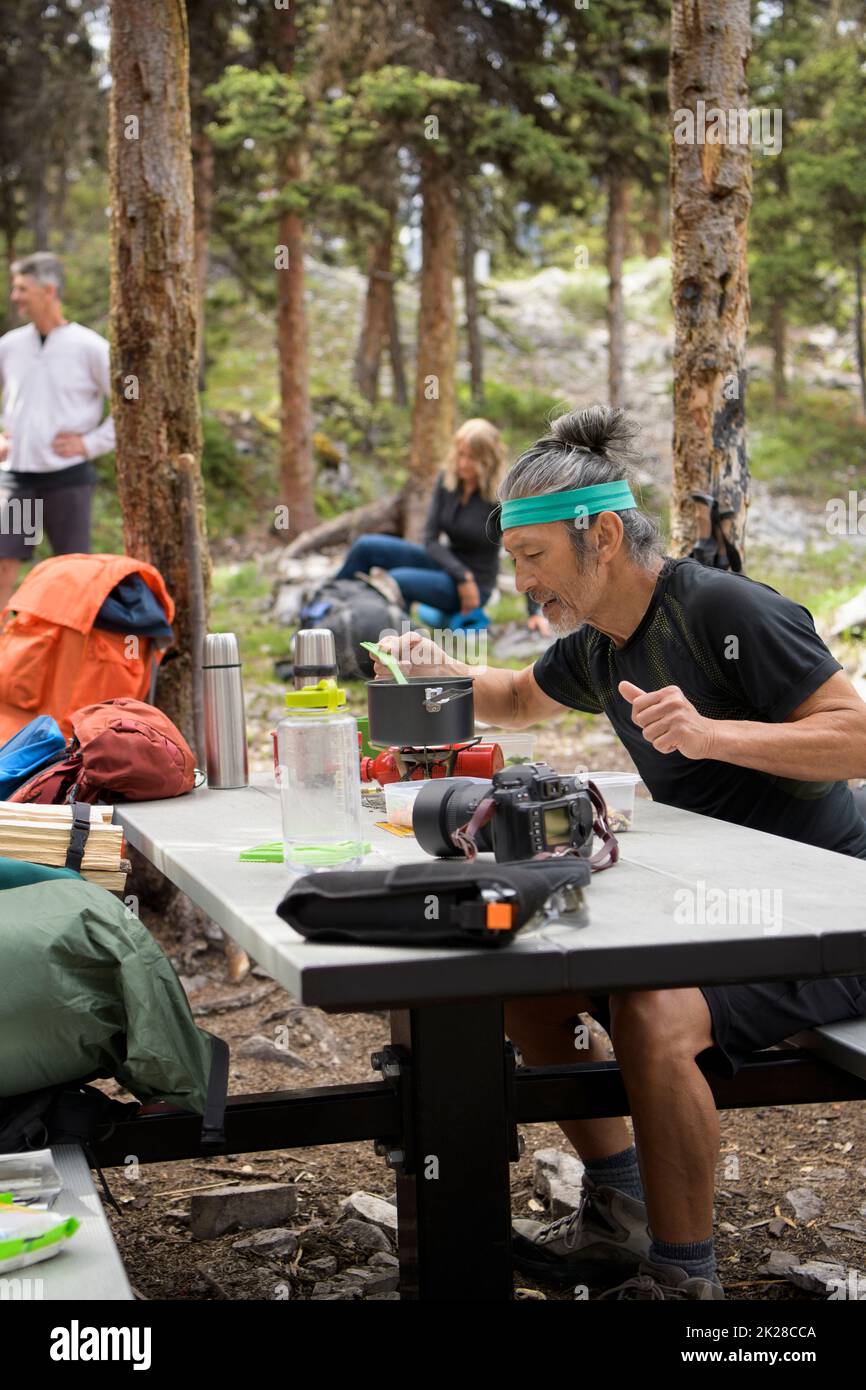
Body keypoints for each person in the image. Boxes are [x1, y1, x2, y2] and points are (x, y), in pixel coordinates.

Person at [374, 405, 866, 1302]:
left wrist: (717, 737)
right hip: (717, 899)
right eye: (516, 562)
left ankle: (685, 1281)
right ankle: (622, 1205)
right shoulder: (603, 640)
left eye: (534, 561)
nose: (522, 585)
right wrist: (433, 672)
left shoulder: (724, 608)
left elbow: (859, 736)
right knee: (520, 980)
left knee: (654, 1010)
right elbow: (519, 699)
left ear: (601, 535)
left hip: (827, 912)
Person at [335, 417, 550, 633]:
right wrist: (461, 575)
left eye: (473, 458)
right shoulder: (447, 481)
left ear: (488, 460)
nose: (463, 463)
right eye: (461, 454)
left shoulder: (500, 498)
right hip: (449, 564)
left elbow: (520, 552)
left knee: (397, 581)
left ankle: (399, 641)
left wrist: (535, 611)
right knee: (365, 547)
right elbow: (429, 539)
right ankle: (332, 605)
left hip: (478, 583)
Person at [0, 252, 115, 608]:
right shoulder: (10, 346)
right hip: (20, 480)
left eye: (22, 288)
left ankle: (70, 654)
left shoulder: (90, 348)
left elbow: (129, 409)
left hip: (67, 480)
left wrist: (89, 444)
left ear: (48, 290)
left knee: (71, 570)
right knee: (5, 562)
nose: (14, 296)